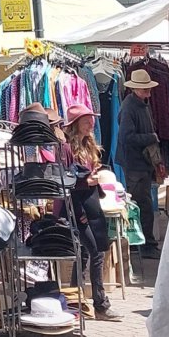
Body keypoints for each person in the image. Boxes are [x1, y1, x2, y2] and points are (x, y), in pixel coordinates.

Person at [64, 104, 118, 321]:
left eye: (91, 119)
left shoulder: (88, 144)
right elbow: (65, 180)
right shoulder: (67, 148)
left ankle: (75, 300)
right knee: (94, 252)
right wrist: (86, 181)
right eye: (86, 120)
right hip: (78, 205)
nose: (91, 123)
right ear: (76, 123)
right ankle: (100, 305)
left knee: (87, 252)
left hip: (91, 203)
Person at [117, 68, 161, 256]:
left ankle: (143, 243)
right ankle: (144, 245)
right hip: (135, 164)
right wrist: (151, 137)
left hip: (140, 163)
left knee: (142, 203)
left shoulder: (139, 104)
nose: (148, 92)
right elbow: (127, 137)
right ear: (135, 89)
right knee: (140, 205)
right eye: (145, 89)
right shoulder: (130, 107)